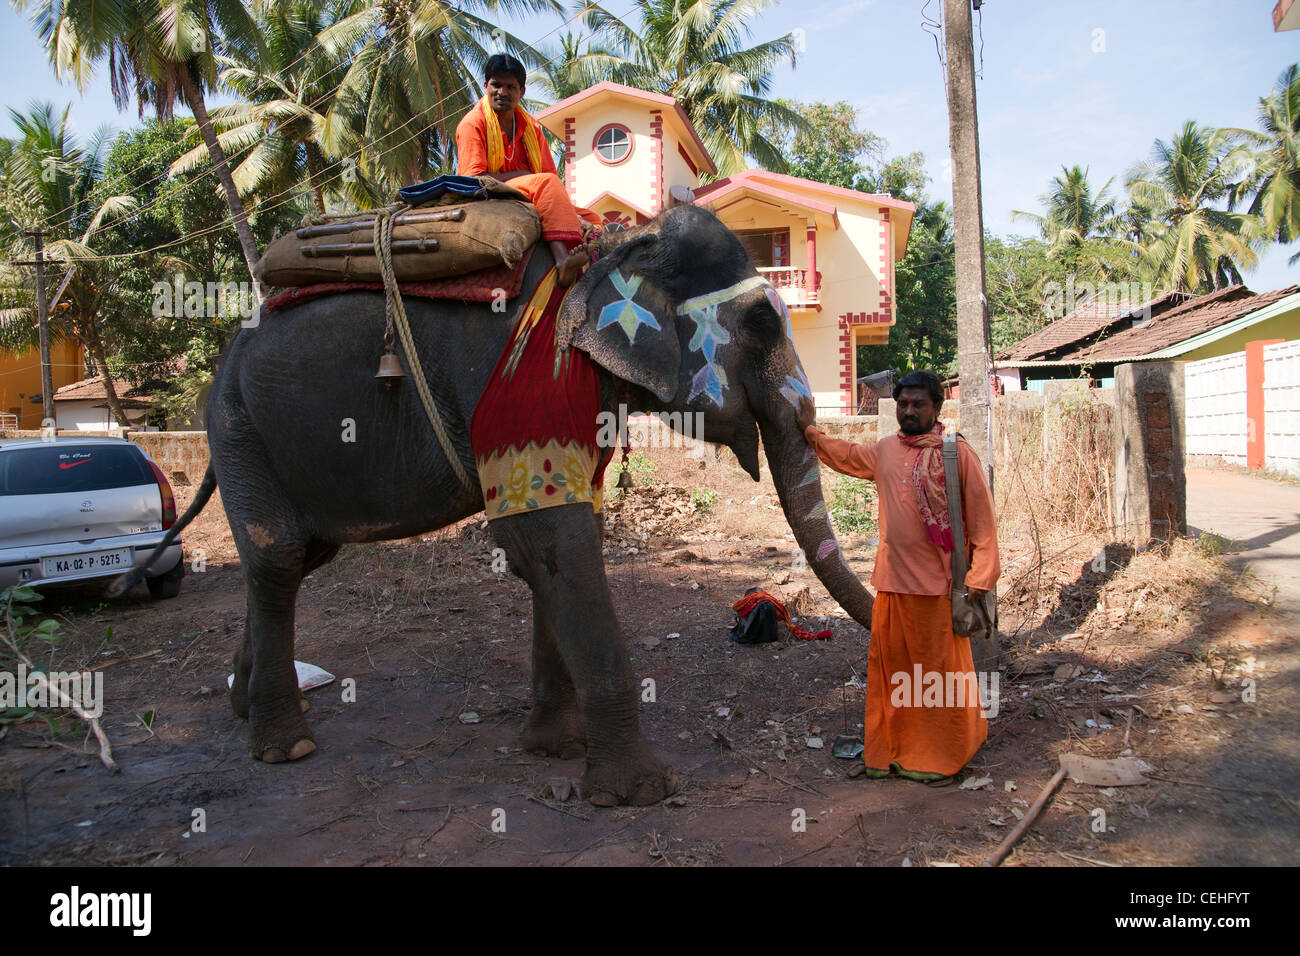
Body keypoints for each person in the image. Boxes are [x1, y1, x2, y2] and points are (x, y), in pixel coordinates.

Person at [796, 370, 1000, 785]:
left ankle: (943, 756)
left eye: (918, 404)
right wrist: (809, 431)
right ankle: (891, 753)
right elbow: (848, 455)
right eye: (902, 404)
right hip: (891, 587)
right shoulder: (886, 451)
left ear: (937, 408)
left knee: (939, 682)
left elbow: (983, 525)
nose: (908, 411)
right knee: (892, 681)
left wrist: (980, 580)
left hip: (940, 592)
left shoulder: (957, 455)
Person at [455, 54, 602, 286]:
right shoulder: (472, 123)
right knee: (546, 184)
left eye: (510, 87)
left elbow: (548, 173)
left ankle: (589, 258)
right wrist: (521, 176)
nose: (502, 92)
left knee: (591, 217)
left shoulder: (531, 127)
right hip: (488, 195)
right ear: (485, 86)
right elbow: (472, 180)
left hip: (529, 194)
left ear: (521, 92)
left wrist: (574, 216)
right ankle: (563, 261)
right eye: (496, 85)